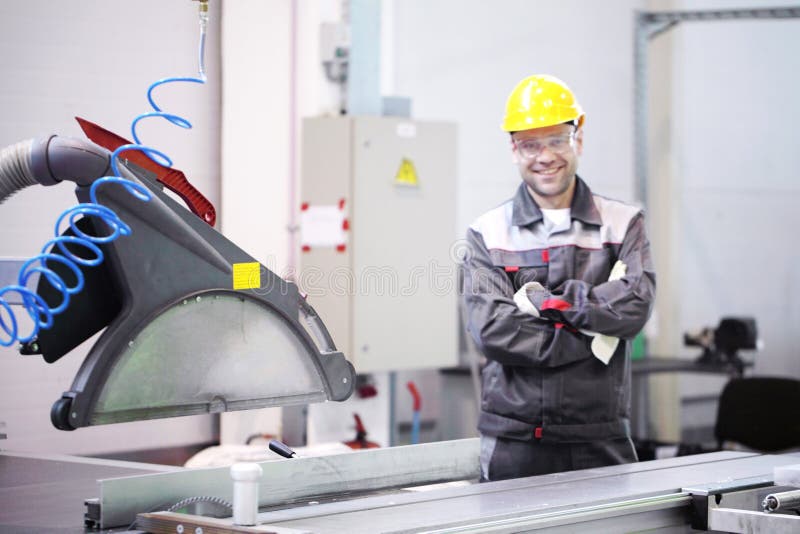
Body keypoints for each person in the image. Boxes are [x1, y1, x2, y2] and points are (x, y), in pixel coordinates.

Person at [462, 74, 656, 482]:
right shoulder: (488, 232)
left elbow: (634, 305)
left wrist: (553, 305)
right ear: (514, 151)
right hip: (514, 438)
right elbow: (493, 330)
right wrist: (588, 338)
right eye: (531, 144)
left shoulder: (622, 224)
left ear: (578, 140)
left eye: (556, 140)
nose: (545, 156)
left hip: (600, 434)